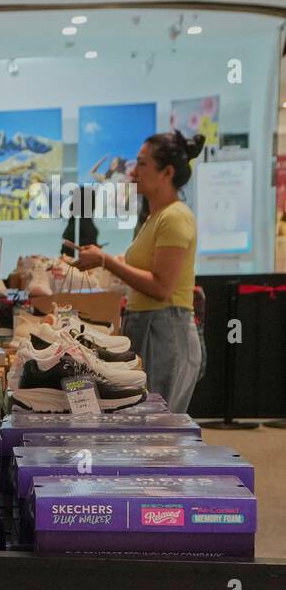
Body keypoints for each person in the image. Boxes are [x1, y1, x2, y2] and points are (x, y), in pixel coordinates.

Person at [72, 130, 205, 413]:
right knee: (146, 425)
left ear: (166, 172)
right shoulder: (155, 217)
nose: (133, 170)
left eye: (142, 163)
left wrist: (106, 261)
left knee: (157, 427)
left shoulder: (175, 217)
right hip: (150, 327)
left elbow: (161, 288)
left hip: (164, 330)